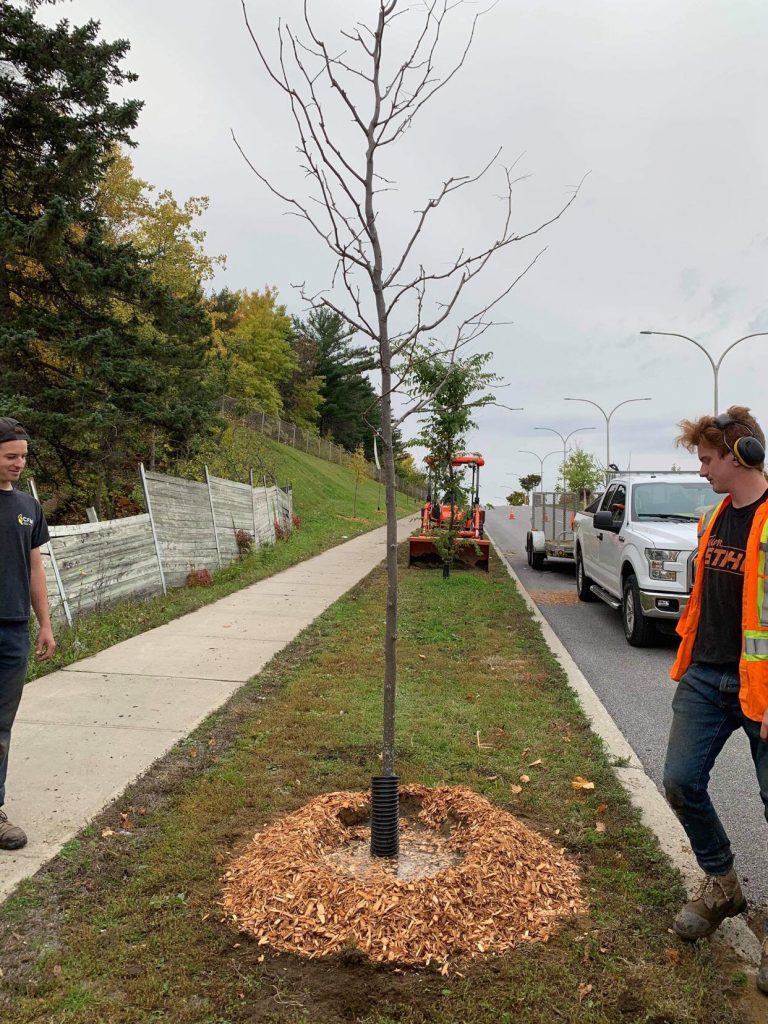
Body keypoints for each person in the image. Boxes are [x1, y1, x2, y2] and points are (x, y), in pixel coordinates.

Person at [663, 405, 768, 994]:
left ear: (740, 457)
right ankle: (722, 883)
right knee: (679, 780)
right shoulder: (712, 520)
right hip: (706, 677)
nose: (701, 469)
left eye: (707, 459)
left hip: (763, 689)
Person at [0, 416, 56, 850]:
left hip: (14, 631)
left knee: (1, 726)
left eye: (22, 456)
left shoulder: (27, 507)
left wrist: (45, 623)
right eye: (10, 456)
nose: (19, 463)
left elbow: (36, 568)